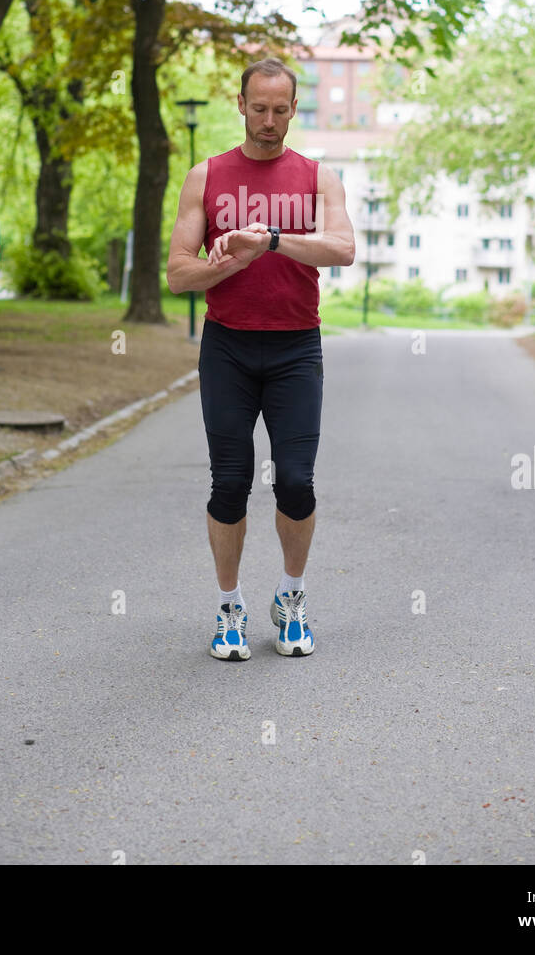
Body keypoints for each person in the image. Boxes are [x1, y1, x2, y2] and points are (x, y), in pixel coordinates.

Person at [166, 56, 356, 660]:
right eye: (259, 108)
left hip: (296, 346)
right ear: (240, 104)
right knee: (231, 483)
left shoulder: (317, 177)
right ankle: (229, 609)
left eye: (280, 110)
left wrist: (269, 240)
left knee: (296, 482)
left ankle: (291, 598)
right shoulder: (207, 175)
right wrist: (228, 262)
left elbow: (343, 249)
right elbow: (177, 274)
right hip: (228, 346)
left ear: (293, 109)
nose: (269, 121)